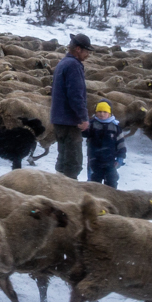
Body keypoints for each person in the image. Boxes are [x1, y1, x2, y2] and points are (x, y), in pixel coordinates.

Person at [50, 32, 91, 178]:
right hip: (69, 121)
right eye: (87, 51)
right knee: (73, 162)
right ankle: (68, 189)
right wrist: (83, 117)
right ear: (78, 49)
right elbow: (75, 95)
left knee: (63, 158)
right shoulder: (74, 65)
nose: (88, 55)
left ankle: (58, 185)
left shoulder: (63, 62)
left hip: (59, 119)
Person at [85, 100, 125, 188]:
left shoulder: (115, 127)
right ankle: (93, 194)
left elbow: (121, 143)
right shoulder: (92, 124)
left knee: (111, 181)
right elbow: (84, 134)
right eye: (99, 111)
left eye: (104, 112)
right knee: (93, 182)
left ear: (109, 113)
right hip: (94, 159)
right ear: (95, 112)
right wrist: (83, 127)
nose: (102, 114)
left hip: (110, 160)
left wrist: (120, 157)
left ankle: (111, 195)